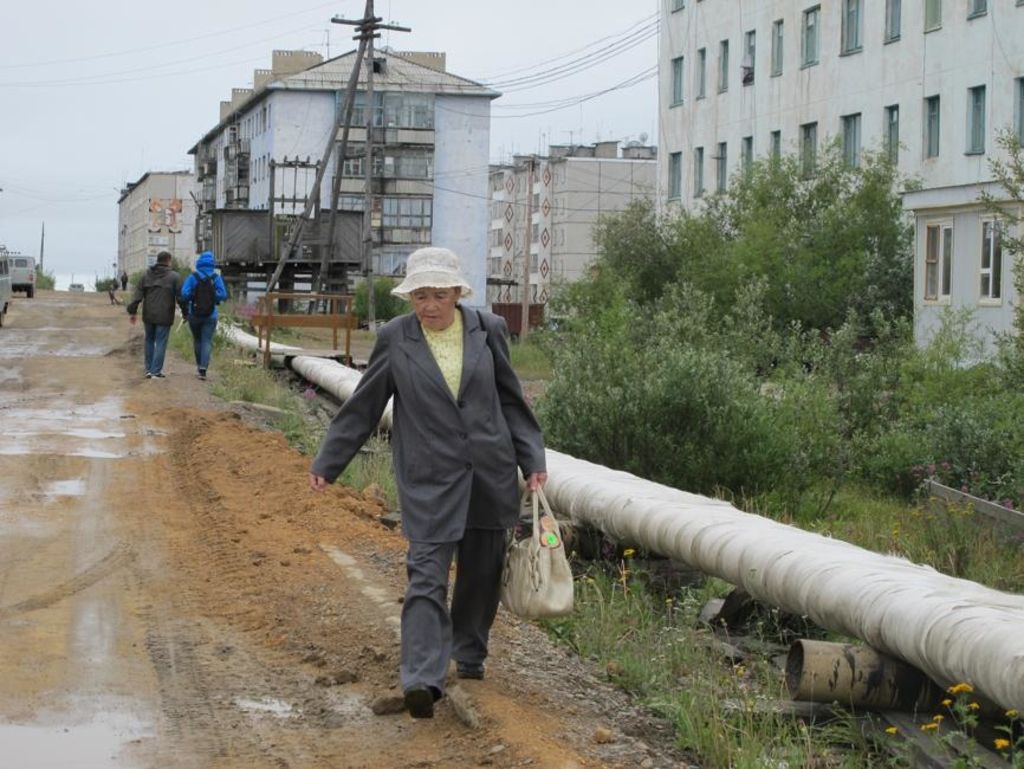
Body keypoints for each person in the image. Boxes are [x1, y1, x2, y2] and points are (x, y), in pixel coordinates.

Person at [308, 247, 547, 719]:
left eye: (438, 294)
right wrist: (328, 462)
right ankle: (421, 677)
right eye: (419, 295)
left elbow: (512, 402)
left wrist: (531, 460)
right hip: (428, 478)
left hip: (488, 472)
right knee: (425, 576)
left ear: (458, 293)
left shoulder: (489, 330)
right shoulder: (396, 338)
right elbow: (365, 403)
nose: (428, 305)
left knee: (480, 574)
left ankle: (470, 652)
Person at [126, 251, 182, 379]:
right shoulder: (174, 277)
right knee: (161, 342)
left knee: (149, 340)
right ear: (168, 261)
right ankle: (156, 371)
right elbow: (181, 297)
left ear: (157, 260)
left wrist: (133, 312)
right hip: (165, 315)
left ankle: (148, 370)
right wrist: (186, 312)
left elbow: (137, 296)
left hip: (149, 315)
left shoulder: (146, 276)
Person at [179, 250, 228, 381]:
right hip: (211, 314)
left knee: (197, 340)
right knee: (207, 340)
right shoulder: (216, 277)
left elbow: (184, 294)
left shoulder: (193, 276)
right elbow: (223, 295)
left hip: (194, 314)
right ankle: (203, 369)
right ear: (212, 263)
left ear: (199, 262)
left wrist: (193, 296)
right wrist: (213, 297)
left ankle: (198, 366)